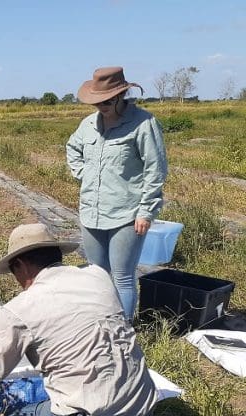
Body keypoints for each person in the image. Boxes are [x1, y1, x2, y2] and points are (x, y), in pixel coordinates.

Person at [0, 223, 159, 416]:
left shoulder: (20, 309)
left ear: (21, 265)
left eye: (13, 271)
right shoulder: (98, 276)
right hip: (144, 413)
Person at [66, 67, 168, 320]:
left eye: (108, 100)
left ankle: (124, 332)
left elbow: (155, 168)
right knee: (97, 274)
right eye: (98, 101)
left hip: (127, 213)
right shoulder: (88, 125)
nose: (103, 105)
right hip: (92, 211)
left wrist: (146, 211)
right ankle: (102, 326)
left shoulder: (143, 123)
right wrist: (83, 174)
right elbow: (72, 148)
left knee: (122, 276)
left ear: (122, 94)